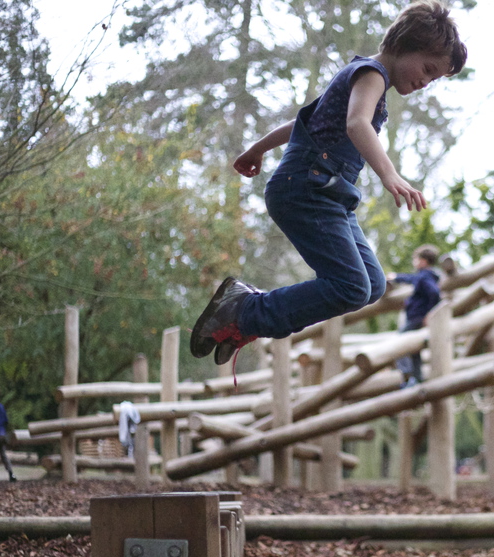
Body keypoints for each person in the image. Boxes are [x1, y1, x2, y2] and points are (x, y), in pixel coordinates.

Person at [190, 1, 467, 368]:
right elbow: (356, 125)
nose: (424, 82)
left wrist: (257, 149)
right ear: (403, 44)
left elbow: (303, 122)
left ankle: (244, 316)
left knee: (372, 285)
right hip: (306, 189)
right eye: (427, 69)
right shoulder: (372, 74)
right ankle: (244, 311)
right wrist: (389, 173)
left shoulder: (360, 77)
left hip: (327, 195)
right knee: (351, 286)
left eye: (434, 80)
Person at [391, 244, 442, 387]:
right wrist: (397, 277)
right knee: (414, 348)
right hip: (417, 316)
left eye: (416, 259)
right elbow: (411, 279)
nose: (414, 262)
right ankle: (418, 378)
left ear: (423, 261)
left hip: (417, 317)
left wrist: (429, 314)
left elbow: (434, 293)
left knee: (398, 343)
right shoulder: (425, 276)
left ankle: (408, 376)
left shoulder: (425, 277)